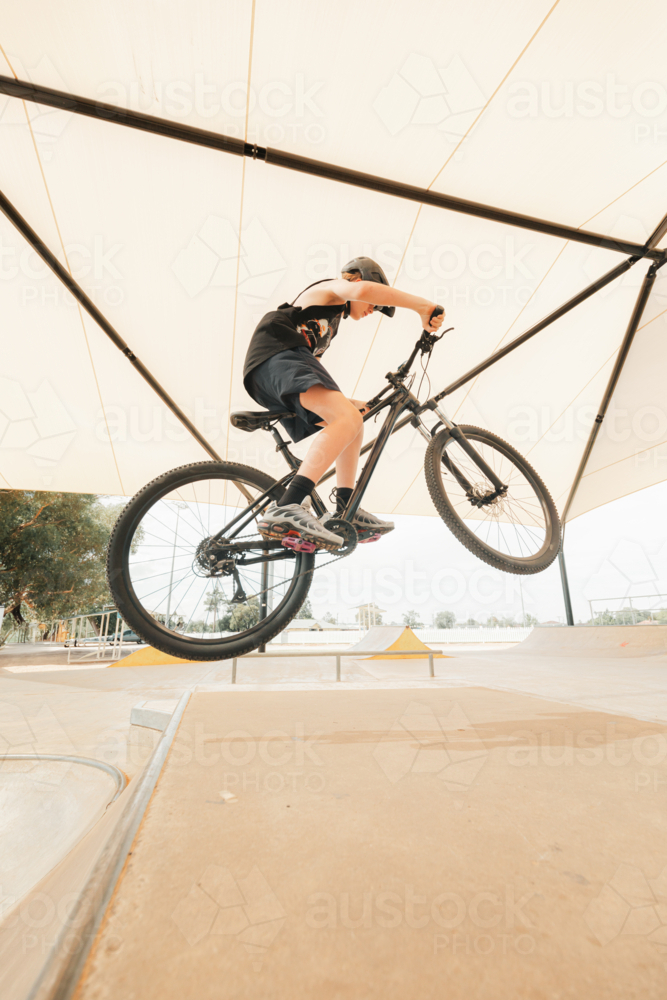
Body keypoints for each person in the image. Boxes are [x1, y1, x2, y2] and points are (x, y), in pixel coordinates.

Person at [242, 256, 445, 550]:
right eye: (376, 303)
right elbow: (363, 292)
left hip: (272, 371)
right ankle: (287, 505)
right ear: (356, 277)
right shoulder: (330, 290)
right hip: (276, 356)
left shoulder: (327, 329)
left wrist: (351, 405)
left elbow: (309, 379)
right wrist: (422, 306)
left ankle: (346, 509)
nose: (373, 308)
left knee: (351, 420)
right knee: (347, 418)